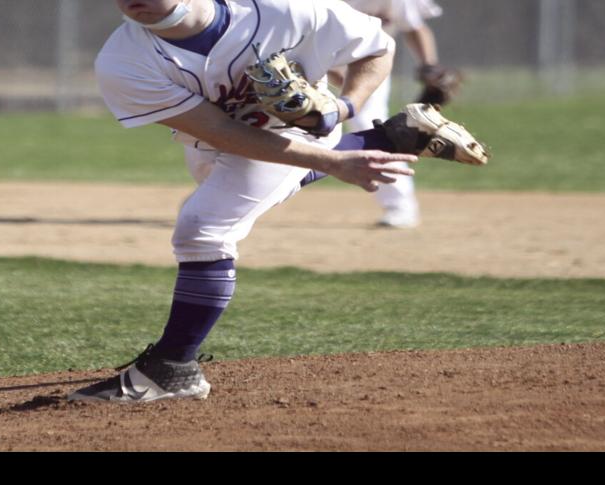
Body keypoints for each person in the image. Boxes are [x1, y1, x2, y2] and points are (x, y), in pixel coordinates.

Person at [68, 0, 489, 403]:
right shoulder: (123, 59)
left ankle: (172, 365)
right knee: (223, 194)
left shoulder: (284, 9)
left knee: (203, 230)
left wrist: (344, 109)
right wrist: (334, 162)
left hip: (298, 134)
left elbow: (378, 45)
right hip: (214, 142)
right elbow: (221, 132)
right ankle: (395, 137)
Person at [340, 0, 448, 228]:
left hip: (368, 68)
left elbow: (414, 27)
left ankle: (400, 205)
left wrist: (429, 65)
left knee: (371, 127)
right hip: (315, 64)